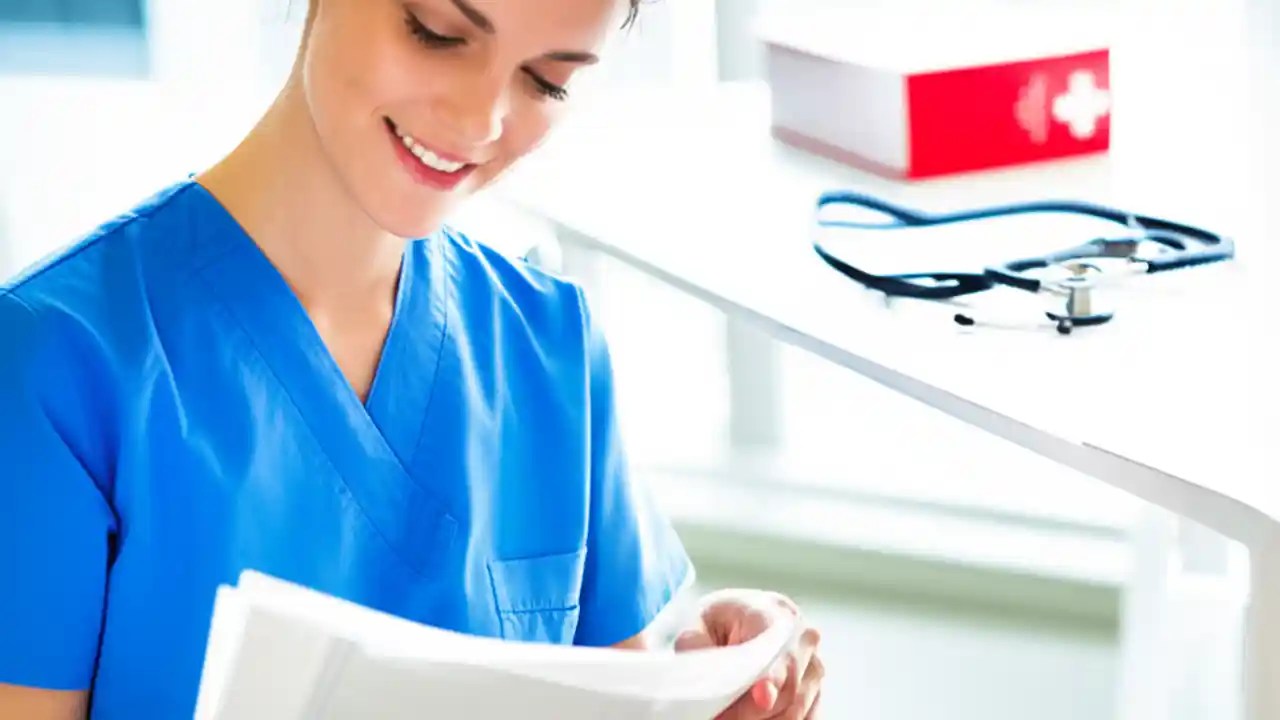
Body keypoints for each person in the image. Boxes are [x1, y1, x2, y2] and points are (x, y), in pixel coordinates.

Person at [0, 0, 824, 718]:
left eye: (546, 81)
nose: (480, 121)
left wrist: (719, 688)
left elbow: (612, 690)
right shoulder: (56, 365)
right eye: (436, 32)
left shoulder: (548, 348)